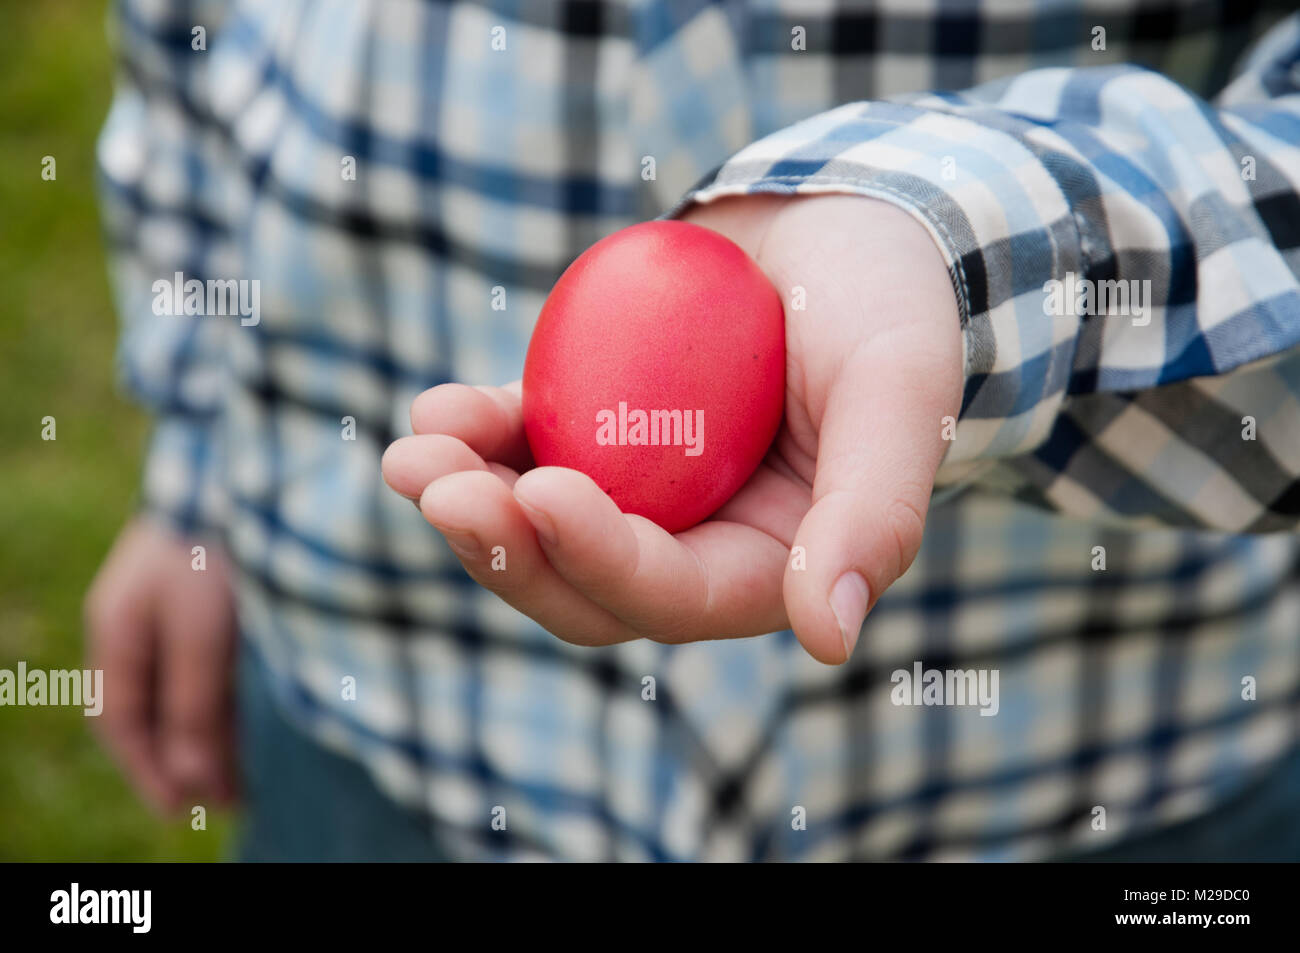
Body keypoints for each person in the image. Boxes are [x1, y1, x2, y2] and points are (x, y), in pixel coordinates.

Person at [86, 0, 1300, 861]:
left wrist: (966, 247)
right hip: (386, 707)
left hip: (1083, 760)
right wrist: (194, 479)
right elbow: (187, 56)